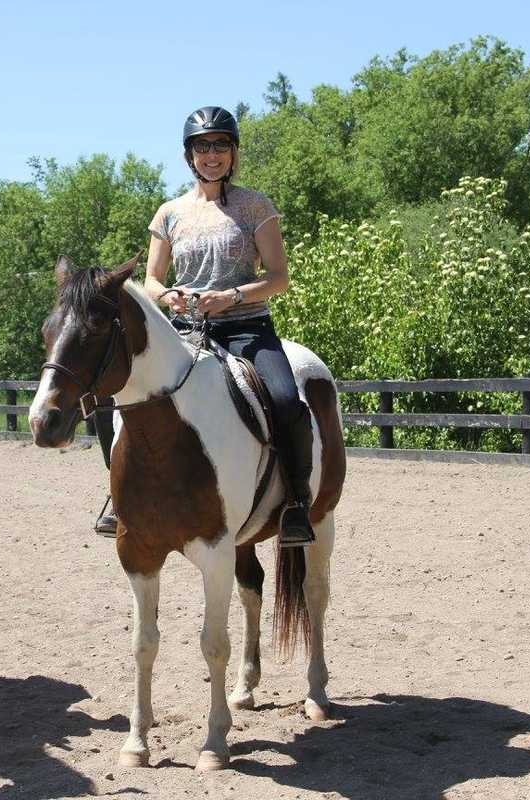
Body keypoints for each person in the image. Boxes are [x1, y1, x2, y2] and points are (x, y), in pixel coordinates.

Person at [93, 106, 314, 546]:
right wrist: (168, 296)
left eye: (220, 146)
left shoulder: (256, 206)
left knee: (288, 401)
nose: (211, 154)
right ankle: (118, 496)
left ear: (233, 153)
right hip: (182, 331)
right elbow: (152, 280)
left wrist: (231, 297)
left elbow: (278, 278)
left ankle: (295, 504)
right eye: (202, 146)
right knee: (110, 396)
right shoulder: (169, 213)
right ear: (188, 155)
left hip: (247, 328)